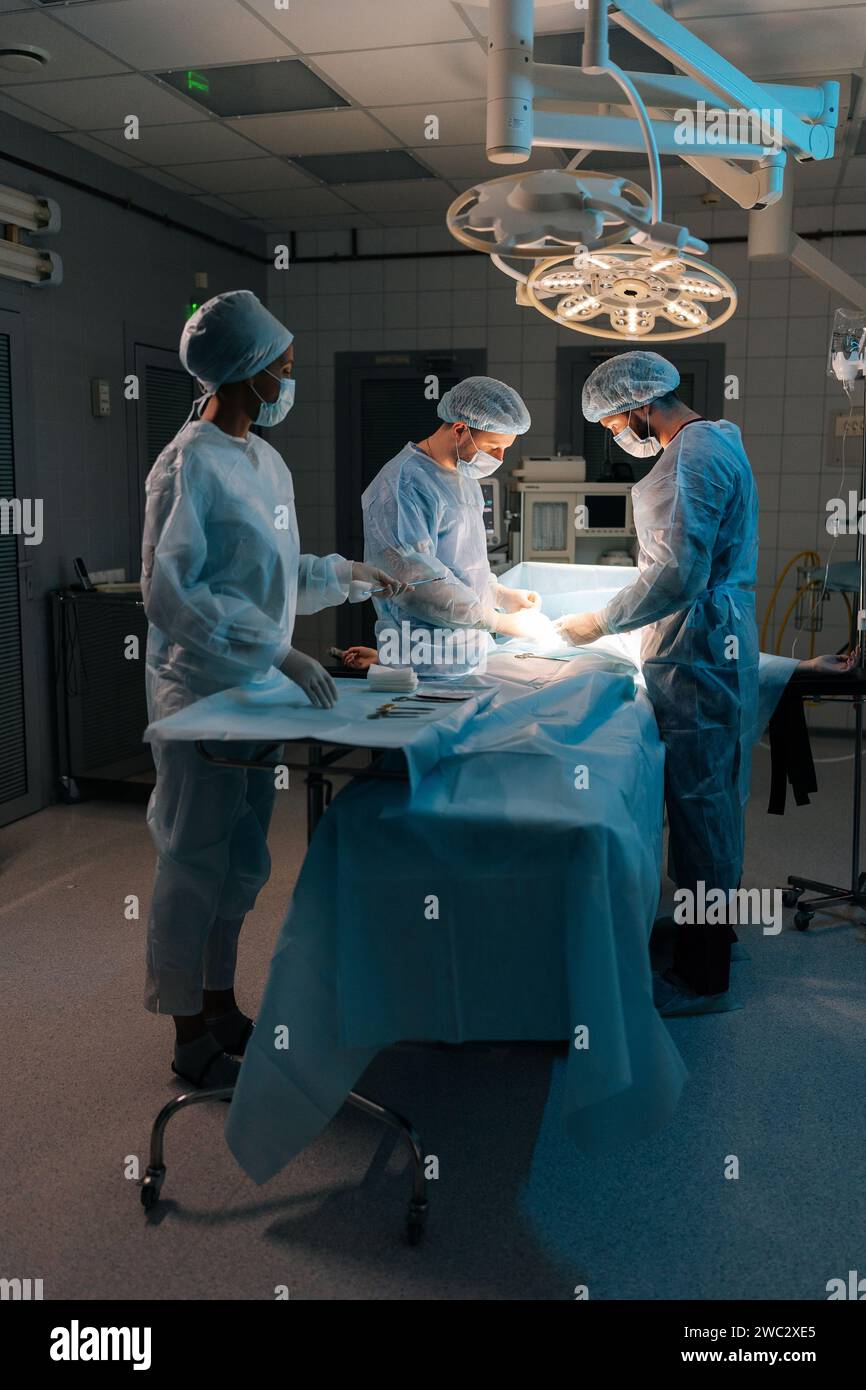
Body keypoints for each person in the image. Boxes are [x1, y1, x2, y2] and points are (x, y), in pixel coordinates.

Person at [141, 290, 402, 1087]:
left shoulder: (267, 462)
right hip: (202, 694)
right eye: (281, 369)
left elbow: (270, 574)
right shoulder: (188, 462)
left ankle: (221, 1002)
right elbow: (173, 593)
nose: (290, 381)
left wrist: (344, 577)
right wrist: (276, 651)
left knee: (244, 857)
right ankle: (188, 1028)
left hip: (254, 690)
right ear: (246, 370)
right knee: (195, 860)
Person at [555, 350, 762, 1016]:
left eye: (617, 420)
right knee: (715, 801)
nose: (618, 432)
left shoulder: (694, 454)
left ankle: (703, 976)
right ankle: (714, 933)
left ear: (643, 405)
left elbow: (676, 576)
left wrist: (599, 621)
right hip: (712, 639)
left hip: (699, 647)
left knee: (701, 806)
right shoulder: (716, 439)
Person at [362, 376, 549, 676]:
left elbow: (466, 566)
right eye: (494, 446)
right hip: (423, 658)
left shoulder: (466, 480)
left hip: (470, 650)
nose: (500, 458)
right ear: (460, 429)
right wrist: (500, 622)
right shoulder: (402, 486)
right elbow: (418, 587)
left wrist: (500, 596)